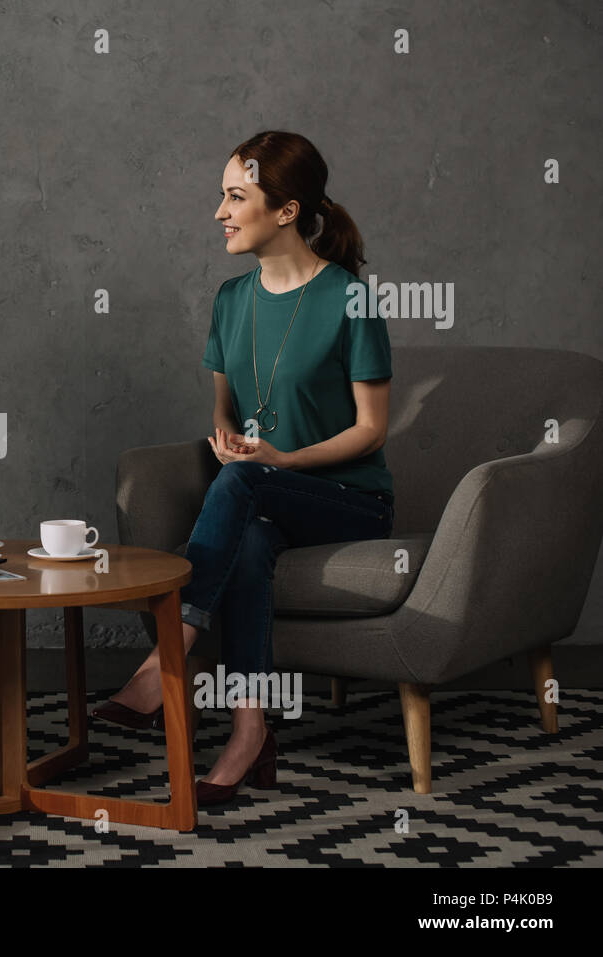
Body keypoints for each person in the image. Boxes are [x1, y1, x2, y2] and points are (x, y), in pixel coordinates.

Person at [92, 131, 395, 807]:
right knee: (250, 533)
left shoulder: (350, 299)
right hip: (263, 496)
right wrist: (231, 443)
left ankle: (168, 655)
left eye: (236, 196)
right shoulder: (231, 299)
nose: (219, 211)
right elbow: (226, 415)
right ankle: (250, 731)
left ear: (285, 210)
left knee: (246, 483)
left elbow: (372, 428)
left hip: (349, 499)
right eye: (221, 195)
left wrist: (277, 460)